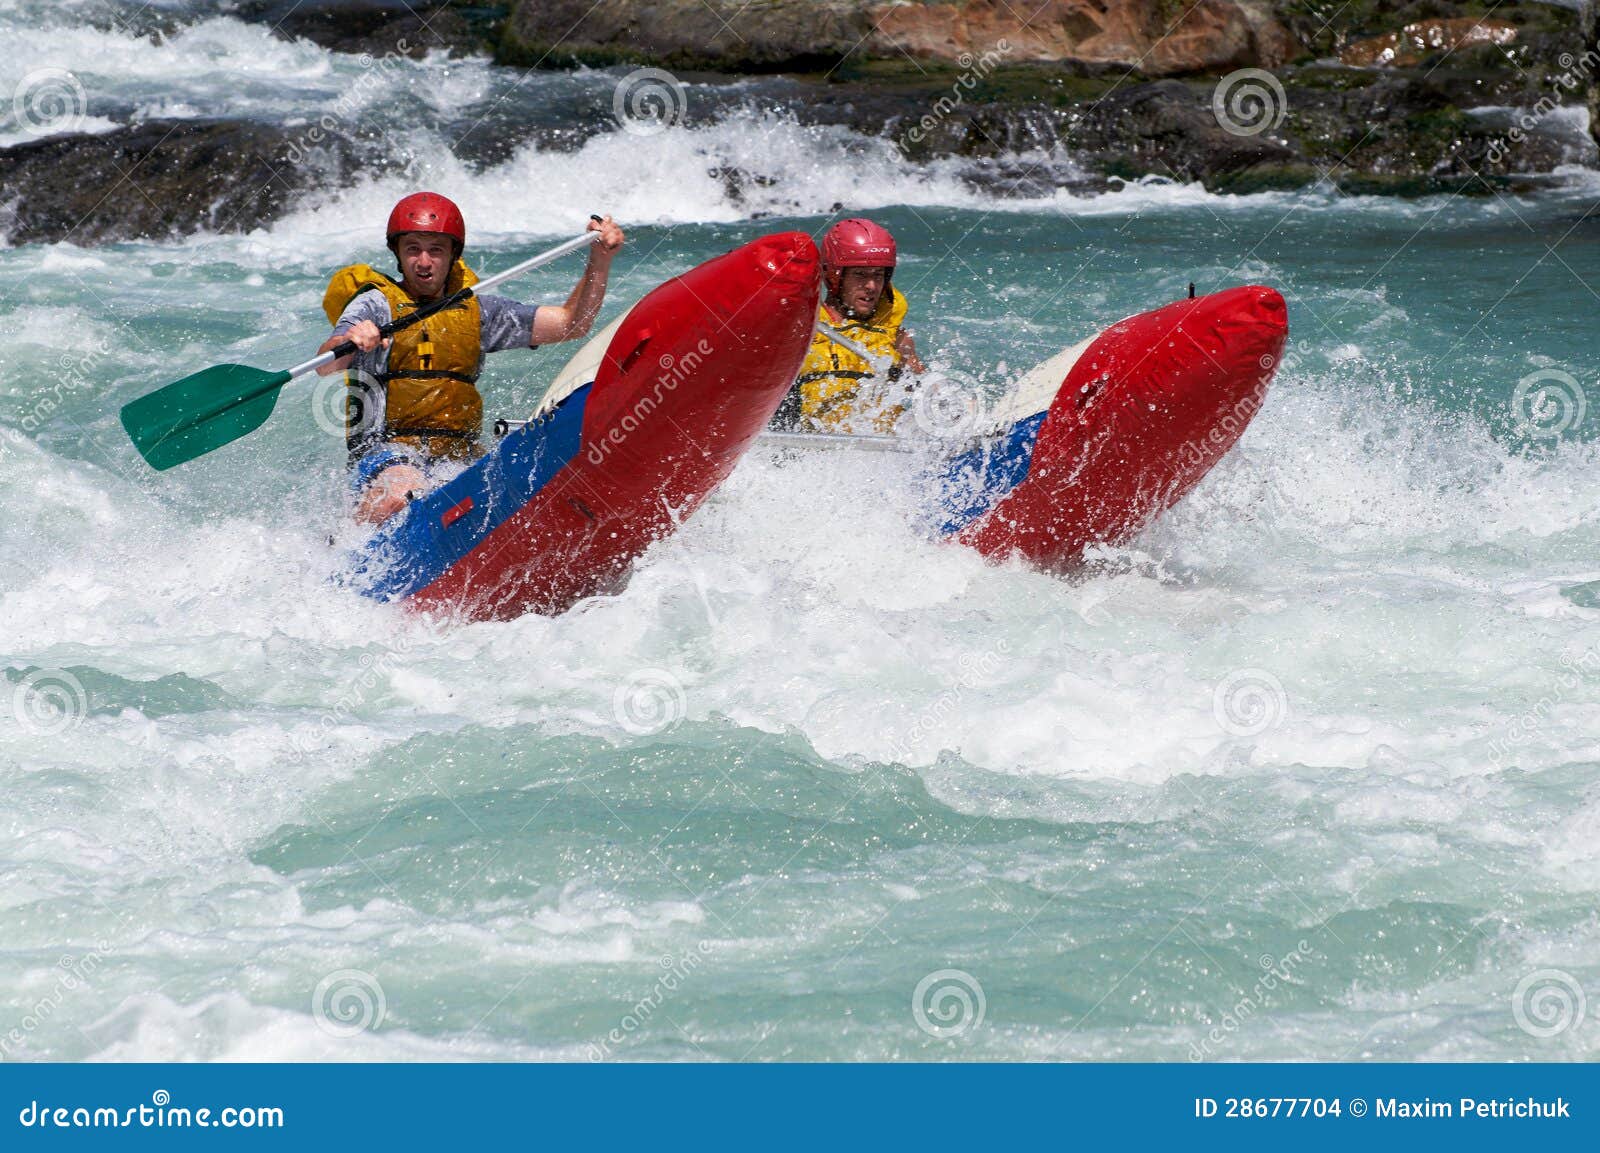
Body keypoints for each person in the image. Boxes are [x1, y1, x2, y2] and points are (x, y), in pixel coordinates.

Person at [316, 192, 625, 524]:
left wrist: (600, 260)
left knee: (507, 487)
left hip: (455, 455)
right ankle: (349, 547)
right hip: (384, 453)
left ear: (452, 255)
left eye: (436, 250)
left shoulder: (478, 311)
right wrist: (349, 339)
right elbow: (324, 366)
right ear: (398, 254)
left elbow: (571, 324)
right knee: (403, 490)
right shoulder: (375, 305)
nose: (423, 262)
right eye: (413, 249)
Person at [772, 217, 926, 433]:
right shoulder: (801, 330)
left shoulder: (898, 339)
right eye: (860, 275)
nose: (872, 286)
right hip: (812, 450)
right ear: (835, 276)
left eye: (878, 275)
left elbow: (927, 391)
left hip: (883, 453)